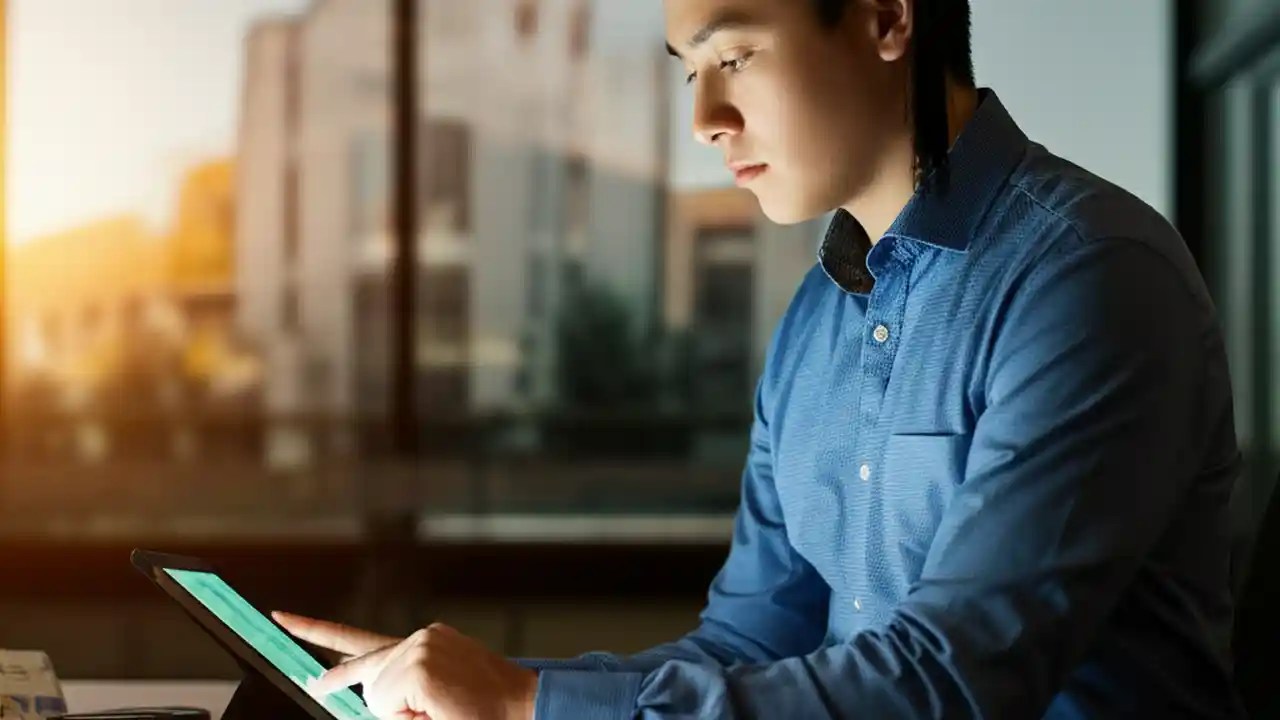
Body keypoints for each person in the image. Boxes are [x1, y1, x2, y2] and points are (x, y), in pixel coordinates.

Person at [274, 0, 1246, 717]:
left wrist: (527, 704)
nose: (704, 116)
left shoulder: (1086, 277)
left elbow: (954, 684)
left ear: (886, 19)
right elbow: (749, 644)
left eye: (733, 55)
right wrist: (475, 688)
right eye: (687, 71)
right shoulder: (816, 319)